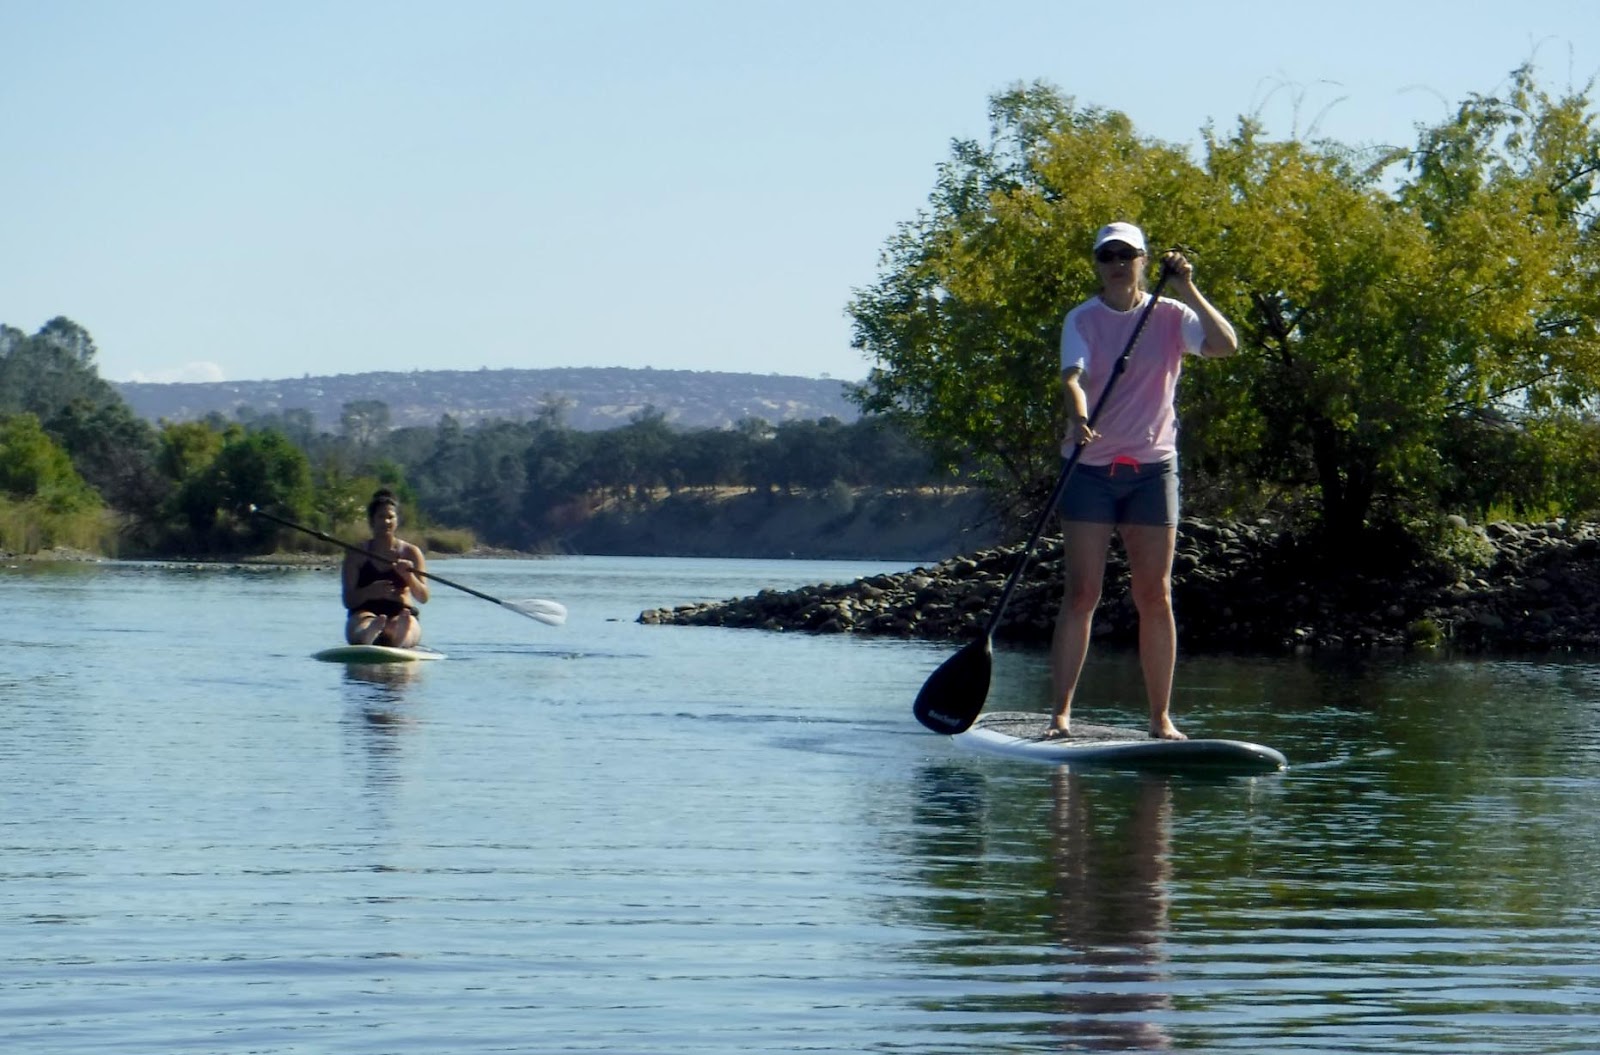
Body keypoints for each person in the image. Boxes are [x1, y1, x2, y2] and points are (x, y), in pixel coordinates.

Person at [1048, 222, 1237, 740]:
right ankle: (1060, 716)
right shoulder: (1082, 319)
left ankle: (1160, 720)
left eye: (1126, 255)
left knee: (1155, 595)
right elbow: (1072, 376)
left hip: (1154, 469)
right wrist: (1080, 414)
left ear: (1143, 261)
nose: (1116, 264)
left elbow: (1225, 346)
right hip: (1090, 469)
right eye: (1107, 256)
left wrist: (1187, 287)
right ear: (1097, 264)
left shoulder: (1173, 316)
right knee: (1083, 593)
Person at [342, 489, 430, 648]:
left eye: (391, 517)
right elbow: (348, 601)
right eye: (381, 517)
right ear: (372, 521)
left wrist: (409, 577)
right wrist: (369, 591)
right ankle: (369, 633)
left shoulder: (411, 552)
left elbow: (423, 597)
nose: (386, 522)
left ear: (397, 521)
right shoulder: (356, 554)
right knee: (364, 621)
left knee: (404, 622)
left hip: (401, 611)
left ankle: (400, 636)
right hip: (365, 611)